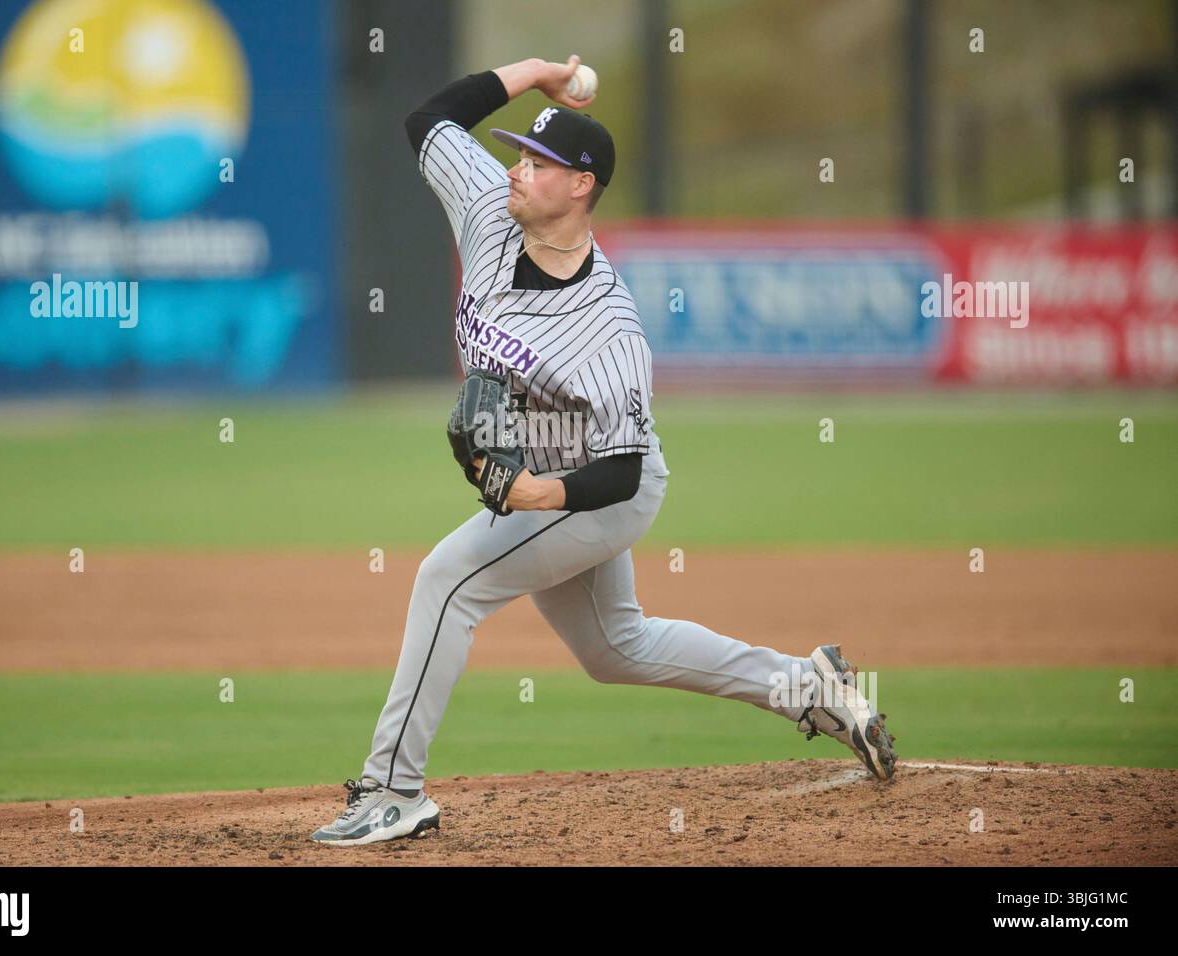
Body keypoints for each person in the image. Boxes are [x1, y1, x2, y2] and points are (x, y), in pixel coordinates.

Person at [311, 56, 897, 847]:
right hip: (547, 473)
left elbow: (620, 472)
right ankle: (808, 687)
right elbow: (429, 121)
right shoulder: (490, 211)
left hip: (603, 488)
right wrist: (537, 73)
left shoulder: (609, 331)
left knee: (448, 580)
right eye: (518, 156)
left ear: (581, 186)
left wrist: (533, 498)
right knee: (617, 647)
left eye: (537, 164)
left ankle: (393, 791)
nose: (515, 171)